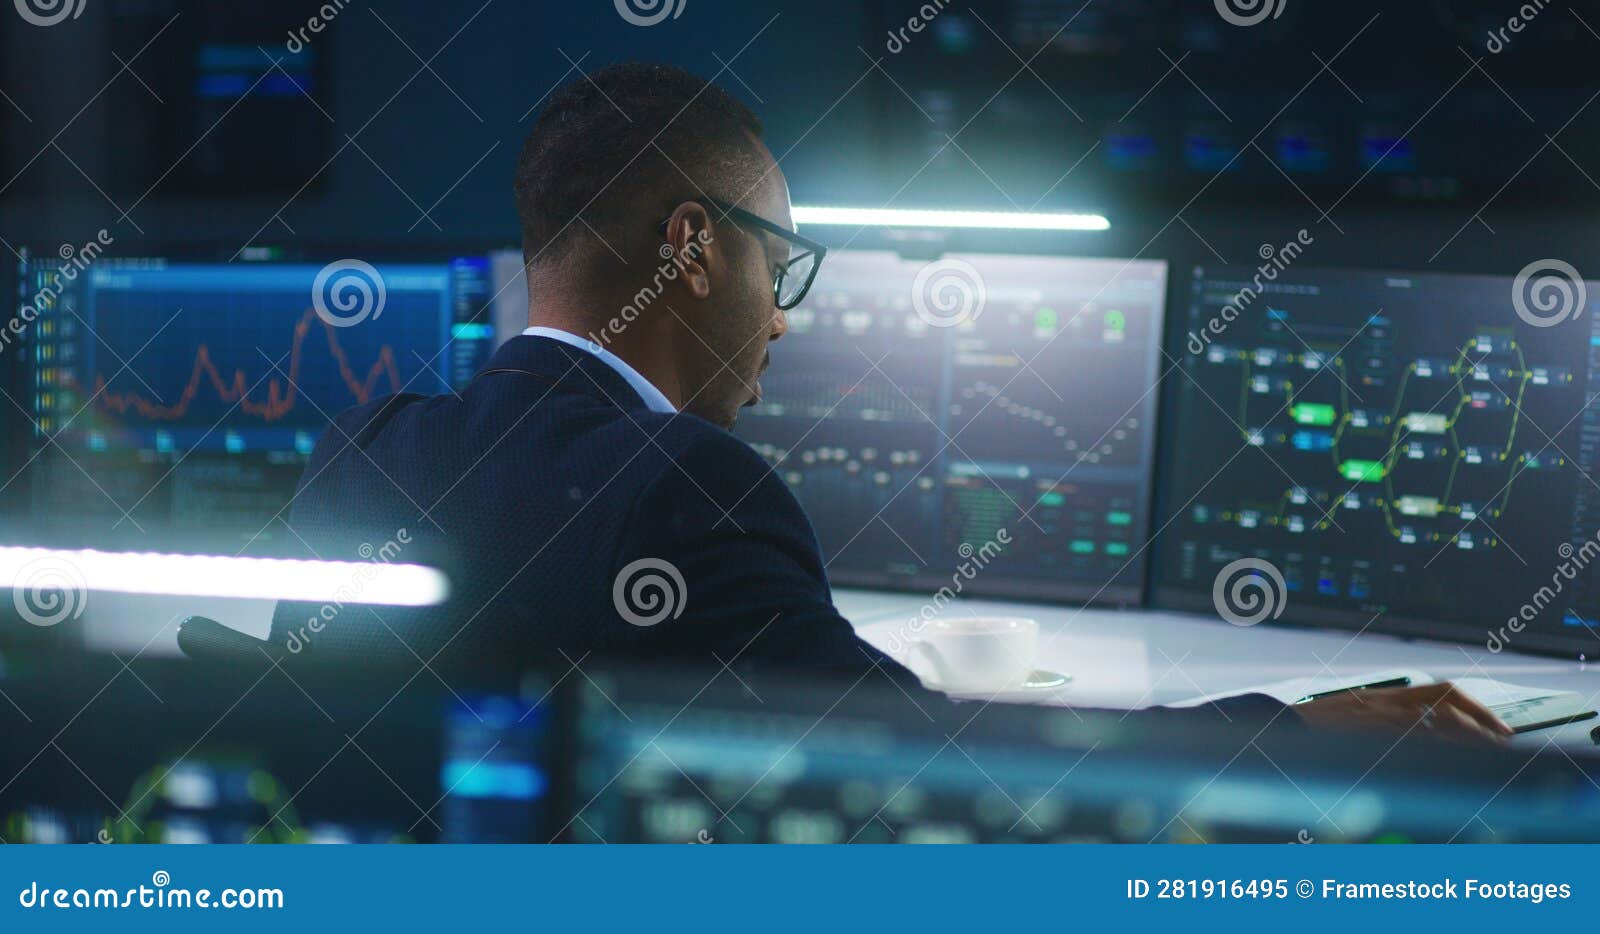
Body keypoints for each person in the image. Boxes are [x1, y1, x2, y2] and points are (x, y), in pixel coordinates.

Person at [268, 63, 1509, 744]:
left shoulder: (360, 454)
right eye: (779, 265)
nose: (781, 315)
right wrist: (1302, 728)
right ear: (692, 248)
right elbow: (953, 783)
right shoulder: (687, 485)